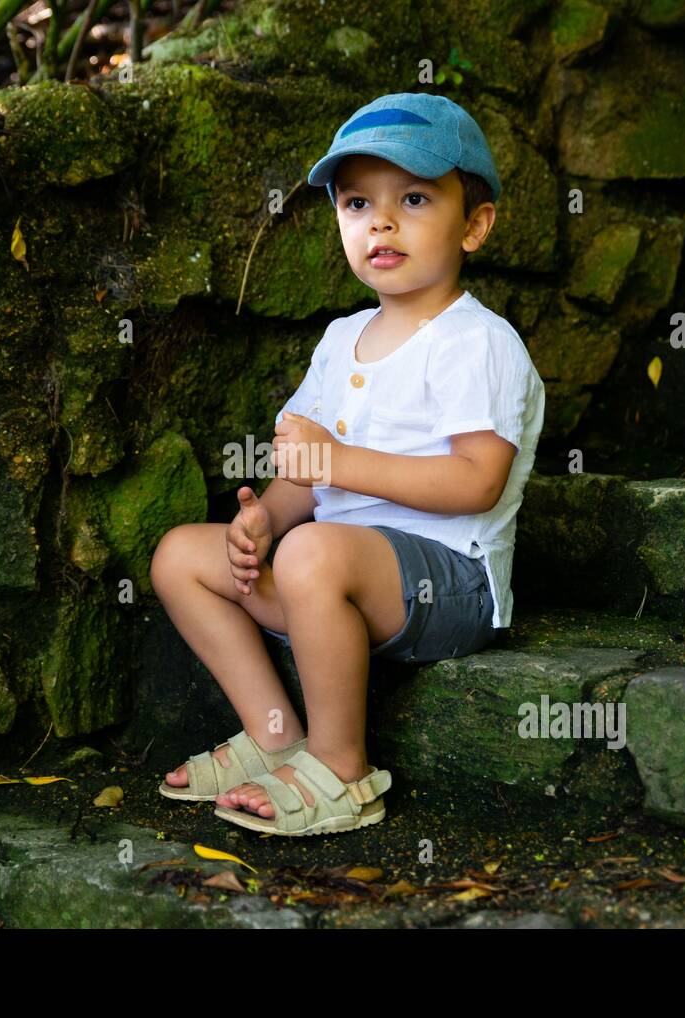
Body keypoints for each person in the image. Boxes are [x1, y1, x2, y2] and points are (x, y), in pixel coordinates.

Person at [150, 92, 545, 836]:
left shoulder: (477, 343)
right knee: (181, 556)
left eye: (416, 198)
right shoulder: (340, 340)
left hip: (448, 582)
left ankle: (341, 769)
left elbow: (476, 481)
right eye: (358, 201)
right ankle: (277, 736)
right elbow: (307, 473)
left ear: (476, 225)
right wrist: (262, 522)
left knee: (313, 553)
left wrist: (337, 465)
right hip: (324, 571)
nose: (382, 222)